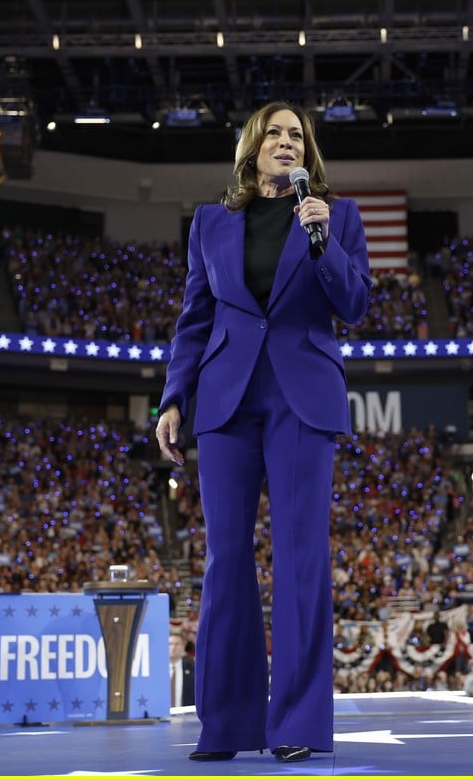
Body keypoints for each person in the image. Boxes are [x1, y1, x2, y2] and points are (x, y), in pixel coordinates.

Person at [155, 100, 370, 764]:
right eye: (273, 133)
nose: (285, 141)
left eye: (296, 135)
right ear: (251, 147)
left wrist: (324, 239)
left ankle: (298, 723)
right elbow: (195, 317)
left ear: (308, 152)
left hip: (301, 396)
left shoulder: (338, 216)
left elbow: (355, 303)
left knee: (301, 557)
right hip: (224, 401)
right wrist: (173, 397)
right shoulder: (211, 223)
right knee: (225, 562)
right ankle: (226, 725)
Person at [169, 633, 196, 708]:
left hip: (186, 717)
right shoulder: (158, 670)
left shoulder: (193, 668)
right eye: (170, 644)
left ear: (183, 647)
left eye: (177, 644)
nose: (173, 647)